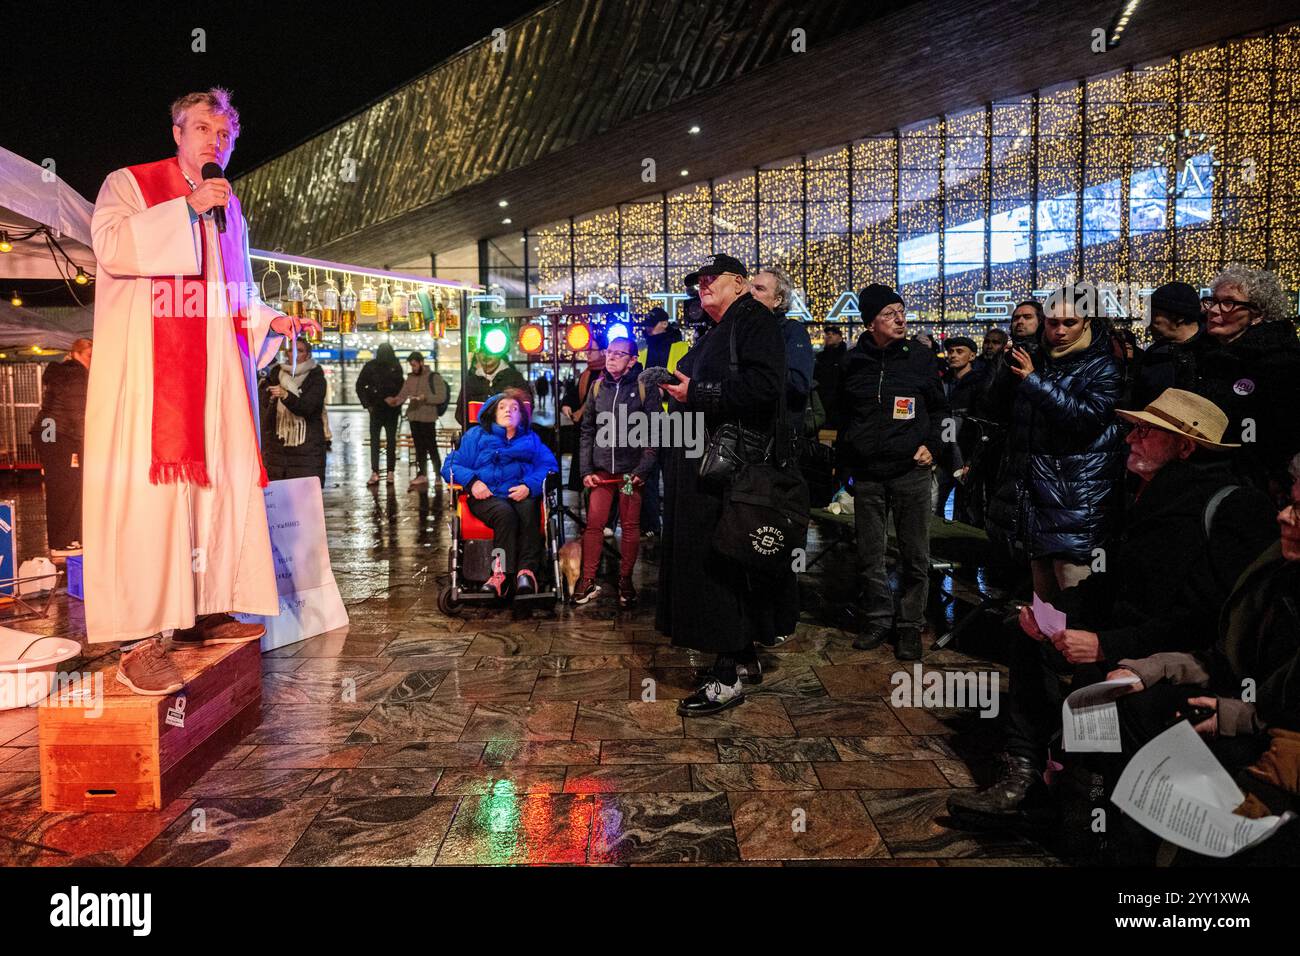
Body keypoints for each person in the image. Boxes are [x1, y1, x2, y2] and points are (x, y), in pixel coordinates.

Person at [947, 388, 1276, 830]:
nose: (1130, 439)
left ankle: (1092, 805)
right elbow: (1110, 582)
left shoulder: (1233, 506)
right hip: (1126, 638)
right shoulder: (1147, 493)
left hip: (1177, 658)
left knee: (1106, 692)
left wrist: (1106, 645)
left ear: (1184, 447)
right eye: (1134, 428)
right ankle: (1028, 776)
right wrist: (1053, 612)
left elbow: (1206, 618)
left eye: (1145, 431)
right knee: (1026, 638)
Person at [84, 88, 315, 694]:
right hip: (152, 375)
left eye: (226, 133)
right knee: (152, 501)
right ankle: (140, 635)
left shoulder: (229, 208)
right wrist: (184, 209)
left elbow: (235, 292)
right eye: (204, 128)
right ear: (178, 134)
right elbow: (111, 246)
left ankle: (205, 606)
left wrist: (273, 321)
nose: (217, 141)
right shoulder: (130, 184)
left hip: (217, 378)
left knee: (217, 483)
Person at [656, 254, 786, 715]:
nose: (703, 285)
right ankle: (740, 654)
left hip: (728, 473)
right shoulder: (719, 328)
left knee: (722, 563)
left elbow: (766, 388)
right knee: (720, 561)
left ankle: (727, 675)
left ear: (740, 282)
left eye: (712, 278)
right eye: (698, 280)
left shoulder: (754, 320)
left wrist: (696, 392)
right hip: (706, 468)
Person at [835, 284, 948, 661]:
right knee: (869, 554)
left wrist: (933, 445)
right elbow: (843, 417)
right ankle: (877, 619)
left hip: (910, 471)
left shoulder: (920, 358)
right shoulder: (852, 362)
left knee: (915, 554)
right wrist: (846, 465)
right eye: (889, 314)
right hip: (868, 474)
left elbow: (942, 411)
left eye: (901, 311)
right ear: (870, 323)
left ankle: (910, 625)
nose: (900, 319)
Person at [999, 285, 1126, 601]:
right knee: (1044, 601)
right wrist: (1004, 369)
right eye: (1053, 322)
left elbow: (1084, 419)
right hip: (1038, 495)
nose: (1059, 331)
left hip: (1078, 496)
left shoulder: (1103, 366)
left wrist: (1033, 382)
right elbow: (998, 413)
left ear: (1087, 322)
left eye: (1070, 323)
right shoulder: (1036, 360)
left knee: (1076, 594)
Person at [749, 265, 814, 647]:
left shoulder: (791, 333)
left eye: (759, 288)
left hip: (781, 452)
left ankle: (783, 615)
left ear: (778, 299)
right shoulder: (748, 332)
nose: (751, 292)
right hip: (752, 453)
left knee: (781, 536)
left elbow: (798, 384)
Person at [1193, 264, 1300, 496]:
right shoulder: (1200, 354)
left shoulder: (1279, 363)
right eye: (1213, 301)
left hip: (1251, 486)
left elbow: (1282, 436)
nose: (1214, 310)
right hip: (1203, 478)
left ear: (1257, 314)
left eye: (1229, 303)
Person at [441, 388, 558, 597]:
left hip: (520, 492)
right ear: (493, 413)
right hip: (486, 496)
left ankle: (526, 573)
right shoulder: (476, 436)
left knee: (530, 508)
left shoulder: (530, 439)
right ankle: (500, 573)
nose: (508, 411)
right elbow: (451, 465)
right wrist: (473, 482)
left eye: (515, 408)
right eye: (502, 407)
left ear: (521, 416)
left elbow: (549, 467)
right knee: (505, 514)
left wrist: (529, 486)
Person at [574, 337, 656, 608]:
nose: (610, 357)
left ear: (632, 360)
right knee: (594, 524)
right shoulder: (598, 387)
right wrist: (586, 469)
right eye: (609, 352)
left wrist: (643, 468)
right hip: (602, 472)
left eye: (619, 354)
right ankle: (587, 580)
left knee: (630, 526)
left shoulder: (644, 386)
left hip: (630, 474)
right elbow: (587, 429)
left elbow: (655, 431)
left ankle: (625, 580)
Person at [32, 338, 91, 556]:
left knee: (62, 485)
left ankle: (67, 538)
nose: (92, 361)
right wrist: (84, 445)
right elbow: (78, 414)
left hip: (49, 433)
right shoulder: (77, 375)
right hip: (59, 435)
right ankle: (62, 542)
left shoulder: (64, 372)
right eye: (89, 356)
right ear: (76, 354)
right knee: (67, 486)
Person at [637, 308, 687, 539]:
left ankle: (673, 524)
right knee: (648, 473)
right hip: (647, 420)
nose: (648, 327)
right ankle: (651, 525)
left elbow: (685, 381)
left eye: (653, 323)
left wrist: (662, 391)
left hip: (672, 418)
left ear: (665, 323)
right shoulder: (643, 349)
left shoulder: (681, 347)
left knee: (673, 475)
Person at [260, 335, 326, 483]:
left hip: (306, 446)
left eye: (300, 351)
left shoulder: (315, 376)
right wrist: (269, 397)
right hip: (278, 447)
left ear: (308, 355)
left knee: (305, 492)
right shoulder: (276, 374)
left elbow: (308, 407)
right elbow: (264, 405)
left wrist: (286, 395)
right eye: (291, 350)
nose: (294, 354)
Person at [1129, 281, 1205, 410]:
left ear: (1179, 318)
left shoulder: (1212, 352)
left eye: (1154, 317)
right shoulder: (1153, 355)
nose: (1149, 324)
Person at [934, 335, 985, 522]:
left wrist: (971, 459)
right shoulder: (943, 383)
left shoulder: (979, 383)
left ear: (971, 356)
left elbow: (978, 423)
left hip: (964, 451)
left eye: (959, 351)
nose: (953, 355)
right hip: (944, 451)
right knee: (935, 502)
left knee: (965, 507)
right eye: (950, 351)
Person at [389, 351, 448, 487]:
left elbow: (441, 397)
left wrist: (425, 398)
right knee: (419, 447)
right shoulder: (410, 378)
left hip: (428, 417)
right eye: (411, 366)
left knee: (431, 446)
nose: (413, 368)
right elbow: (403, 394)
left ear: (421, 363)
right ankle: (422, 474)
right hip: (414, 417)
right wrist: (395, 401)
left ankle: (438, 475)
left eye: (415, 365)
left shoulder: (433, 377)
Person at [355, 342, 404, 486]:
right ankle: (389, 472)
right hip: (388, 410)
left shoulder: (371, 366)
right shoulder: (395, 366)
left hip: (378, 409)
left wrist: (368, 404)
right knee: (390, 442)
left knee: (376, 442)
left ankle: (376, 472)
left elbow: (360, 385)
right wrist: (396, 401)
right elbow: (401, 386)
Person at [458, 347, 529, 428]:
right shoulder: (471, 381)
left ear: (500, 353)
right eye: (481, 351)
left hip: (507, 435)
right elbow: (460, 414)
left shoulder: (515, 378)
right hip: (479, 434)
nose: (485, 354)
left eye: (490, 350)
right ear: (476, 355)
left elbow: (526, 411)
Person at [814, 324, 847, 427]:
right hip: (823, 399)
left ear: (840, 338)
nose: (829, 336)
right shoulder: (820, 357)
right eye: (828, 334)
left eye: (833, 334)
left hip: (840, 401)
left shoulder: (846, 357)